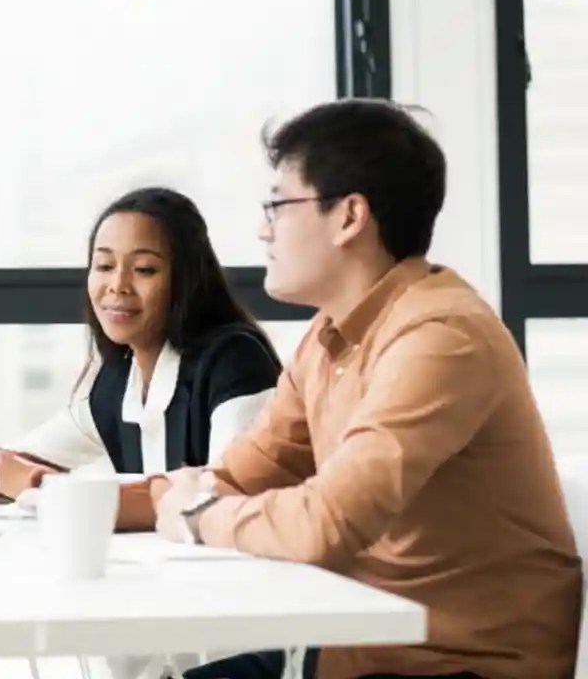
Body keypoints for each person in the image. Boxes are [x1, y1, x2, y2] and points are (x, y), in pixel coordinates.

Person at [154, 99, 582, 679]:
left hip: (457, 666)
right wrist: (73, 503)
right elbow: (236, 476)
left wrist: (200, 514)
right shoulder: (328, 337)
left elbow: (324, 525)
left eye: (277, 204)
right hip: (354, 652)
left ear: (350, 216)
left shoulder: (440, 337)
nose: (263, 228)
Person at [0, 188, 282, 530]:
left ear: (187, 280)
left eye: (145, 269)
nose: (117, 285)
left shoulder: (233, 362)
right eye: (104, 265)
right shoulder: (120, 379)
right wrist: (14, 474)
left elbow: (220, 497)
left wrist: (40, 487)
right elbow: (10, 462)